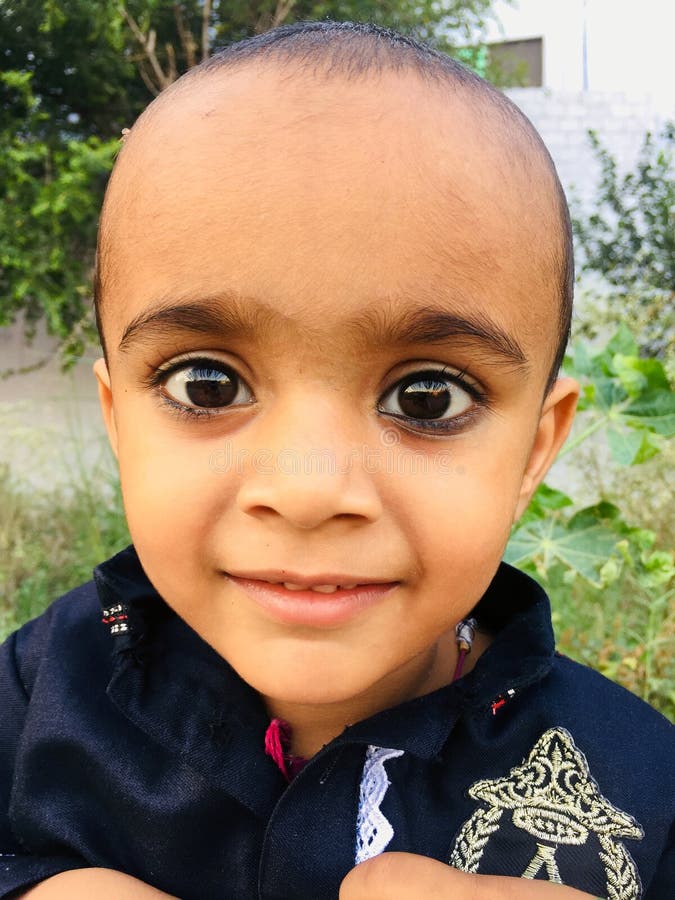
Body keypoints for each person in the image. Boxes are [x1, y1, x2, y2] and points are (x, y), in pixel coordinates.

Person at [1, 20, 672, 900]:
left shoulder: (641, 782)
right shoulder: (39, 686)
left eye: (427, 397)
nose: (310, 491)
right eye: (207, 384)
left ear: (534, 450)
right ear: (118, 418)